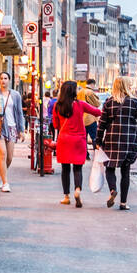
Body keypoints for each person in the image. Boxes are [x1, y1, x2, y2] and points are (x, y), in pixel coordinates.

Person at [95, 76, 137, 211]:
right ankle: (123, 203)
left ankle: (113, 190)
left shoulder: (108, 103)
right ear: (126, 87)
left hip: (112, 140)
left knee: (110, 168)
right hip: (128, 141)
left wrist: (98, 141)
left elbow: (101, 124)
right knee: (125, 171)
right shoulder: (134, 103)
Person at [52, 79, 102, 207]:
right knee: (77, 168)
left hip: (64, 140)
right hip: (78, 140)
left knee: (65, 169)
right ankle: (77, 190)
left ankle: (66, 196)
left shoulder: (58, 105)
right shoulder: (80, 105)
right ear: (73, 91)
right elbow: (98, 112)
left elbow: (56, 124)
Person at [0, 71, 26, 193]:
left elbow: (19, 112)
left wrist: (21, 130)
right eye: (1, 78)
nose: (3, 80)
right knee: (2, 154)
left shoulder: (16, 95)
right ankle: (5, 183)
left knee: (9, 157)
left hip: (12, 127)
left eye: (6, 78)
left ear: (9, 80)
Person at [77, 78, 101, 151]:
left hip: (81, 118)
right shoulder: (90, 92)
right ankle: (96, 152)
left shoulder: (79, 92)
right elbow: (97, 103)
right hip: (90, 118)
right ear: (92, 84)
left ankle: (85, 154)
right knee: (94, 137)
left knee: (83, 138)